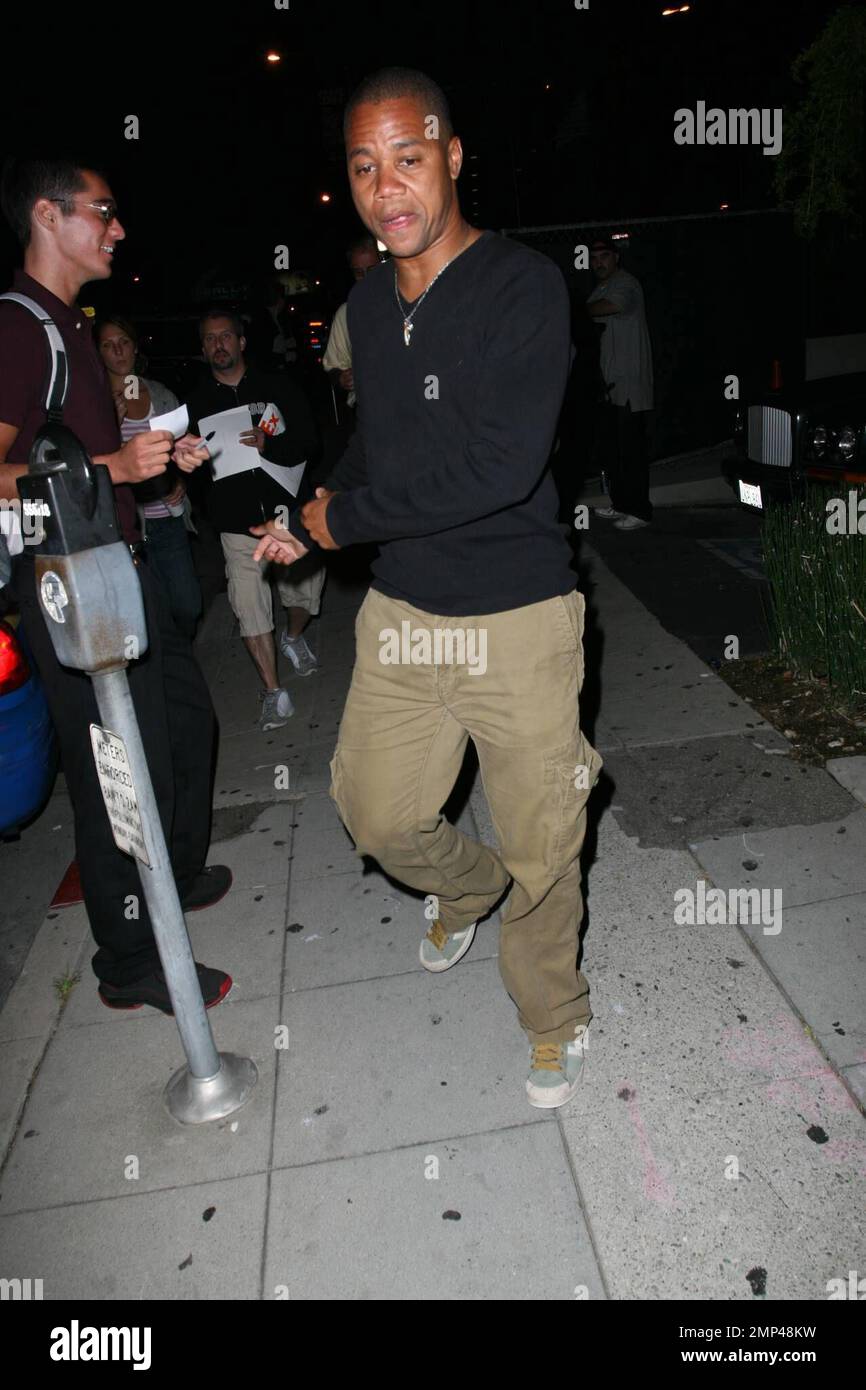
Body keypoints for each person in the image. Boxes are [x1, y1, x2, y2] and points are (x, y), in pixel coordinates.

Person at [249, 67, 603, 1110]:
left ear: (451, 157)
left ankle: (552, 1015)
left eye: (408, 157)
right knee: (374, 811)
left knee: (544, 838)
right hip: (407, 615)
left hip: (519, 617)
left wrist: (341, 523)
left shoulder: (520, 287)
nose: (385, 185)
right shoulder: (365, 298)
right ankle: (465, 885)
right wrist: (316, 501)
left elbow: (500, 464)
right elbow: (379, 443)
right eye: (363, 165)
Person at [0, 157, 232, 1014]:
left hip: (118, 572)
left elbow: (77, 460)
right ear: (49, 216)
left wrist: (152, 460)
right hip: (70, 594)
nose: (118, 228)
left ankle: (167, 875)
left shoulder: (71, 324)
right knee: (115, 779)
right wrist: (112, 463)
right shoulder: (19, 327)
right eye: (104, 212)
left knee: (184, 725)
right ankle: (131, 958)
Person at [184, 309, 322, 730]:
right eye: (210, 339)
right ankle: (273, 691)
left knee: (305, 595)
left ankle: (293, 637)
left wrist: (271, 442)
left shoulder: (276, 385)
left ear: (241, 342)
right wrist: (186, 473)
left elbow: (310, 442)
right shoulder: (196, 402)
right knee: (249, 605)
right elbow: (183, 464)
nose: (219, 344)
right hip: (236, 523)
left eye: (226, 336)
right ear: (203, 348)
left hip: (287, 516)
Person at [96, 314, 202, 639]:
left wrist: (181, 481)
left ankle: (179, 658)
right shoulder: (94, 404)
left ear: (135, 347)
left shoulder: (159, 394)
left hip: (169, 518)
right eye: (108, 345)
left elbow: (183, 450)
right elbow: (92, 464)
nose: (118, 351)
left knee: (188, 606)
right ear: (98, 353)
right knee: (147, 613)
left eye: (124, 342)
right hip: (126, 526)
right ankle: (169, 673)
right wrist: (108, 425)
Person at [585, 235, 654, 530]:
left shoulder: (626, 283)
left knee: (631, 451)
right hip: (608, 386)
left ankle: (640, 511)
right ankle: (621, 503)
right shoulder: (600, 287)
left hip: (629, 385)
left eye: (603, 256)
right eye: (594, 257)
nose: (598, 262)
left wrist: (574, 310)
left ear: (616, 257)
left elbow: (611, 306)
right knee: (613, 452)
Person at [322, 235, 380, 409]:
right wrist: (342, 378)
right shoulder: (346, 313)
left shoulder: (406, 302)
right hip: (369, 407)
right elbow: (333, 367)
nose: (366, 277)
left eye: (372, 269)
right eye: (359, 272)